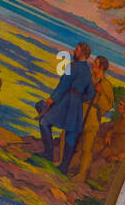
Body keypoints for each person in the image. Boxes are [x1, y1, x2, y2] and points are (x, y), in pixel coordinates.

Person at [39, 43, 94, 175]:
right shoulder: (87, 71)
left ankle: (48, 154)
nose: (74, 51)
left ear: (82, 53)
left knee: (44, 122)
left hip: (66, 100)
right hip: (76, 105)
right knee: (71, 135)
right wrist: (80, 98)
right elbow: (91, 93)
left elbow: (64, 84)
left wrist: (53, 98)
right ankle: (63, 167)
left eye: (77, 50)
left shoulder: (72, 67)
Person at [73, 56, 115, 184]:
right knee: (69, 137)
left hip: (92, 116)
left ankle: (81, 174)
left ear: (101, 67)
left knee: (87, 146)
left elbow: (107, 106)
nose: (93, 65)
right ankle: (66, 165)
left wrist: (101, 93)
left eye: (96, 63)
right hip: (80, 110)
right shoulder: (88, 78)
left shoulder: (106, 85)